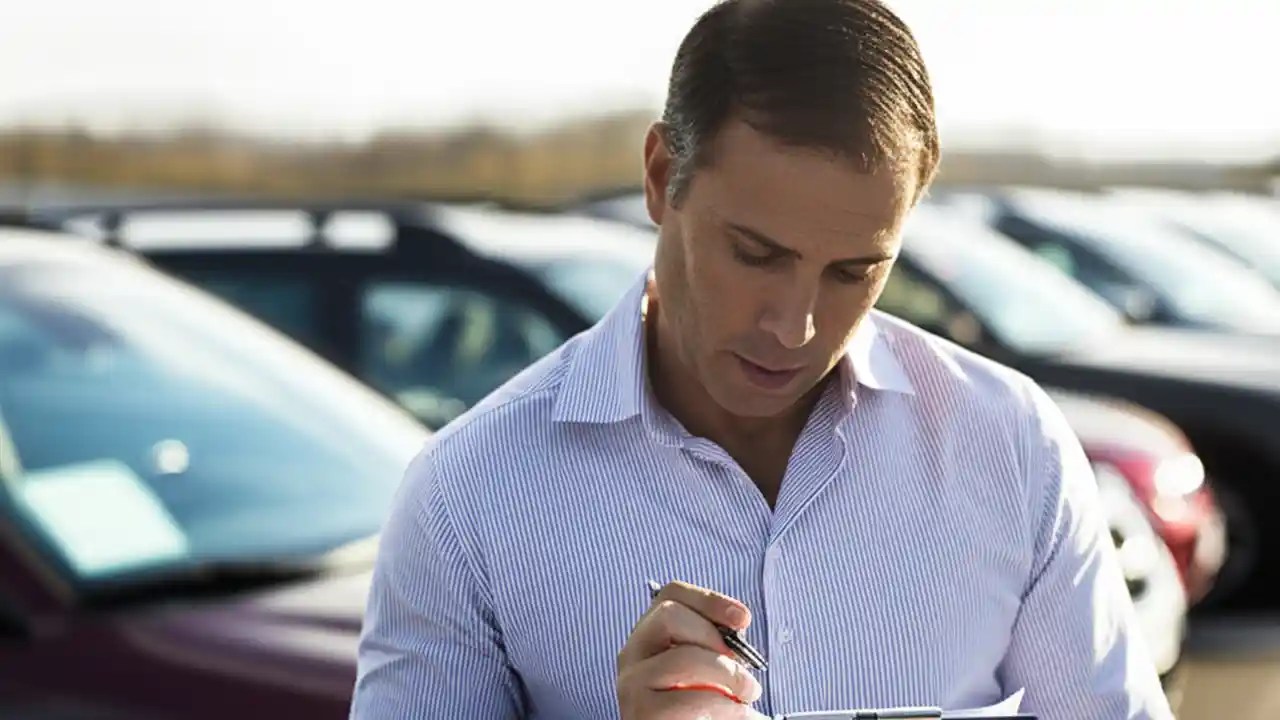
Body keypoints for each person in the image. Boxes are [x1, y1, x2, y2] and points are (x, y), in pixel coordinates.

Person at [348, 1, 1173, 718]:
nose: (796, 327)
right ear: (662, 174)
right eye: (755, 254)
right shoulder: (467, 497)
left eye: (855, 272)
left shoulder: (1013, 445)